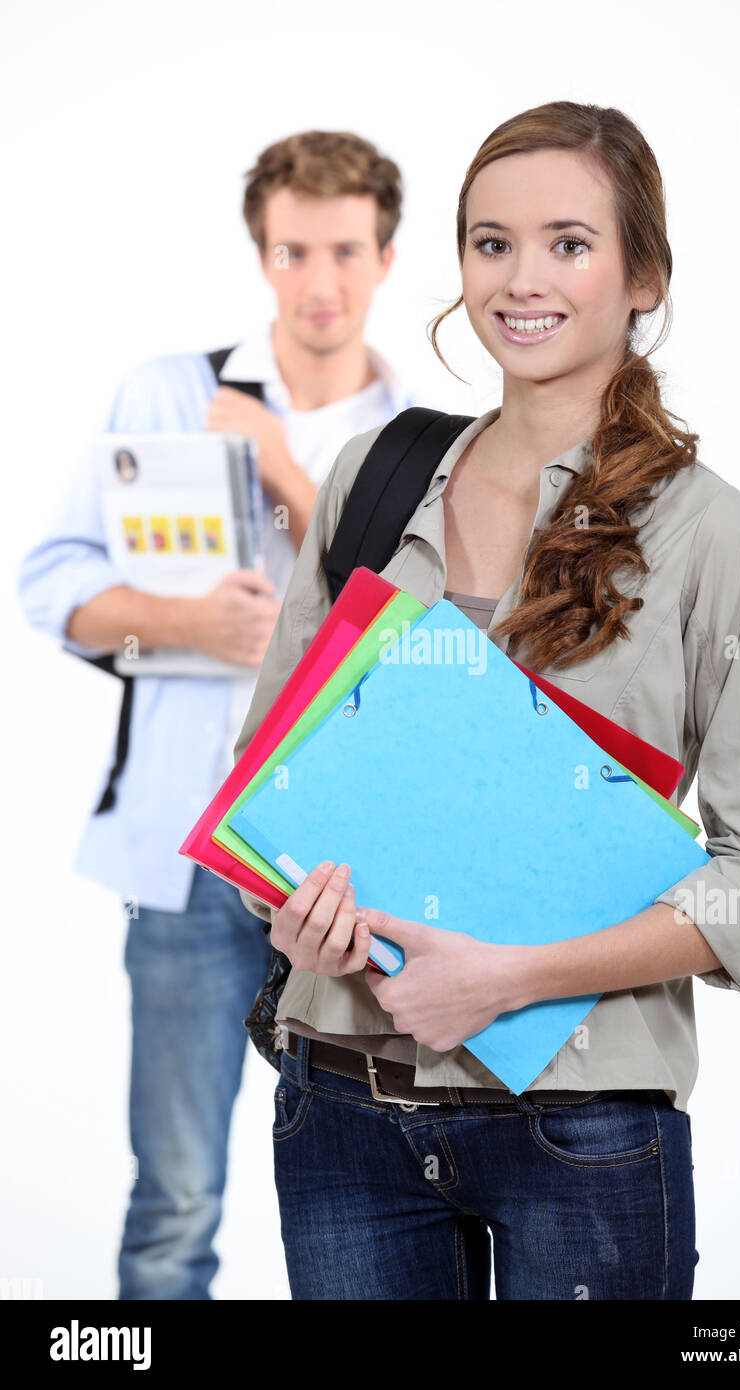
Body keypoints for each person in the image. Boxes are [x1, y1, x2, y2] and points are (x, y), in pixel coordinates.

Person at [231, 101, 740, 1301]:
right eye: (490, 242)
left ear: (641, 273)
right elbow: (263, 789)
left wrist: (513, 977)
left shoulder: (709, 536)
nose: (520, 279)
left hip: (579, 1128)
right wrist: (285, 906)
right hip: (340, 1112)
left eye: (567, 241)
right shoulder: (373, 474)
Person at [17, 128, 424, 1300]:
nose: (319, 282)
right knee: (178, 1193)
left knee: (377, 1194)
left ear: (387, 256)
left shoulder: (421, 440)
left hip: (350, 874)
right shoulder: (167, 392)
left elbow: (418, 641)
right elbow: (51, 585)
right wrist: (189, 627)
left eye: (345, 250)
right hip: (186, 861)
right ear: (262, 255)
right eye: (292, 250)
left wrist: (291, 484)